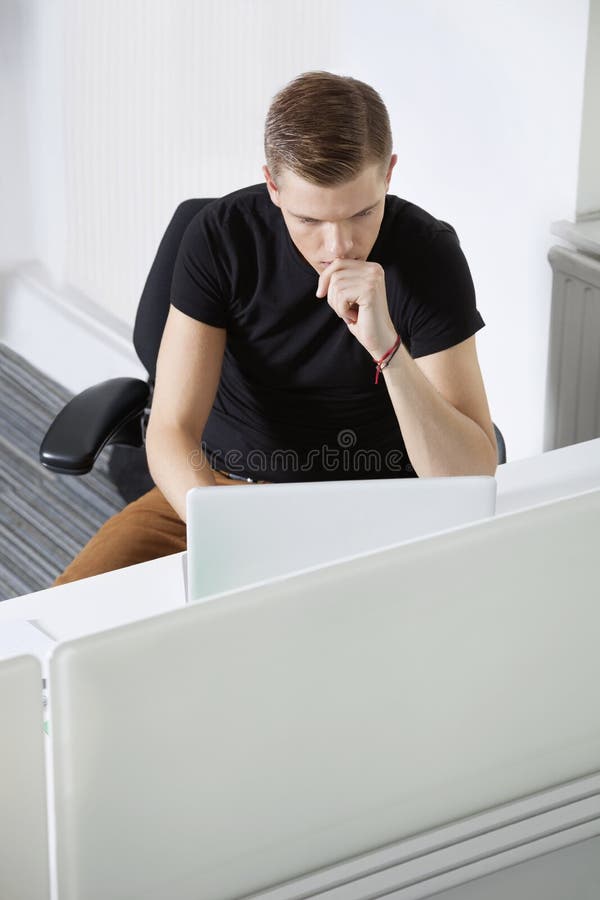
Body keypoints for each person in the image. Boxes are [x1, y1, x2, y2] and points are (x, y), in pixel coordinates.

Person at [53, 70, 497, 586]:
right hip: (219, 491)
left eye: (361, 213)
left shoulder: (428, 256)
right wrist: (229, 530)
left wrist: (388, 350)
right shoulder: (222, 239)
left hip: (371, 503)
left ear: (389, 174)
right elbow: (171, 429)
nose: (339, 247)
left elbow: (470, 477)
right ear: (273, 185)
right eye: (310, 221)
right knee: (64, 628)